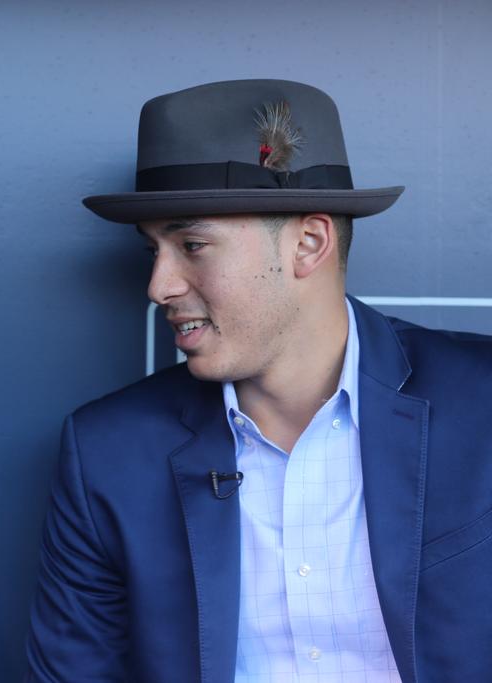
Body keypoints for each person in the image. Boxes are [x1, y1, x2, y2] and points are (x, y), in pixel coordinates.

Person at [26, 79, 492, 682]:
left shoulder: (482, 401)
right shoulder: (107, 455)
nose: (158, 286)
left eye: (192, 245)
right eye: (154, 252)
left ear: (309, 242)